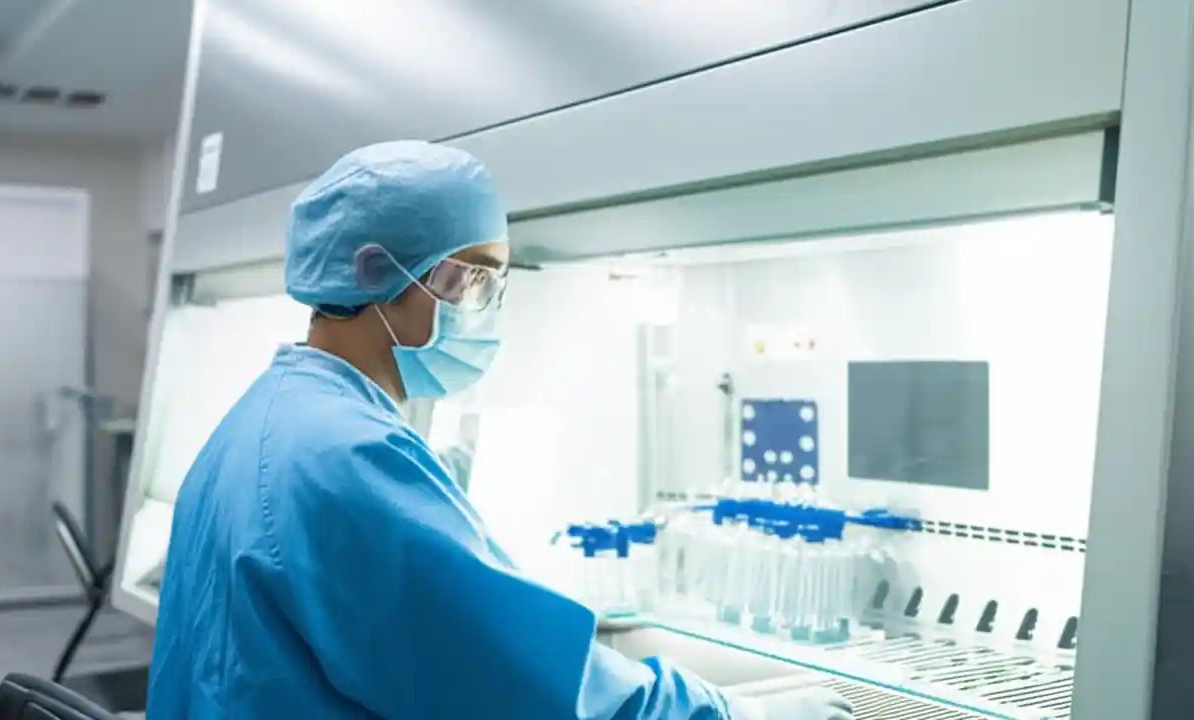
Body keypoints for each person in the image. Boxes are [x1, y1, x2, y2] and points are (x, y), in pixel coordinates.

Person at [147, 140, 853, 720]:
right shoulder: (345, 452)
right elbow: (527, 690)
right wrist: (739, 716)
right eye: (474, 280)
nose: (484, 309)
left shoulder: (270, 415)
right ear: (374, 272)